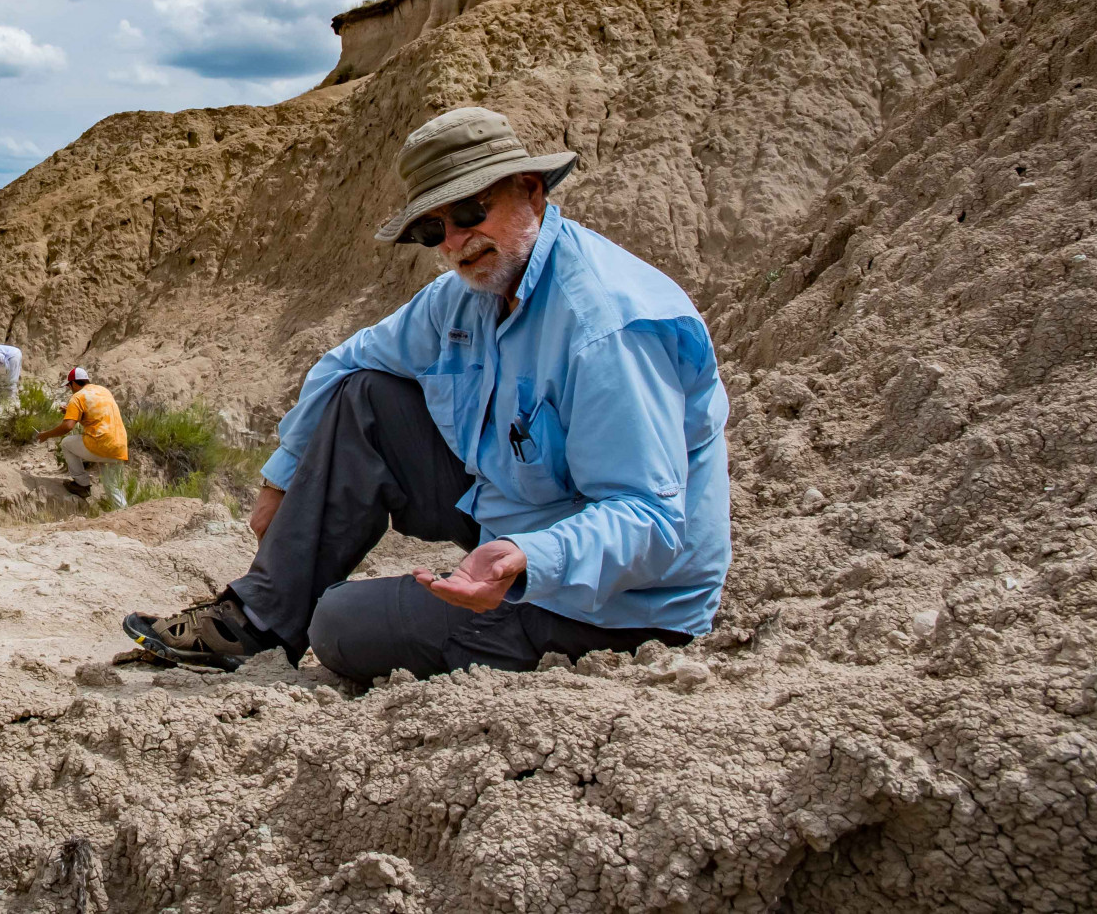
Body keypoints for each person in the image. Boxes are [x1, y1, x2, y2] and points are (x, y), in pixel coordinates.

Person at [122, 106, 731, 680]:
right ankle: (259, 619)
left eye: (469, 212)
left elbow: (650, 520)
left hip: (618, 605)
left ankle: (338, 615)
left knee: (339, 624)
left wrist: (525, 557)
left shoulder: (606, 329)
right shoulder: (468, 295)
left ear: (532, 190)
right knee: (365, 397)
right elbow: (345, 365)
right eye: (433, 228)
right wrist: (280, 479)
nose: (453, 241)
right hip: (515, 516)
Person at [35, 367, 128, 499]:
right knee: (113, 489)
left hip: (100, 444)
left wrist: (46, 434)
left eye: (69, 386)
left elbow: (67, 427)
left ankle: (82, 484)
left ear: (73, 383)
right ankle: (122, 512)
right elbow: (96, 414)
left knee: (66, 443)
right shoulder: (103, 391)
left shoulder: (77, 397)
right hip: (119, 446)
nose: (70, 389)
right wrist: (73, 412)